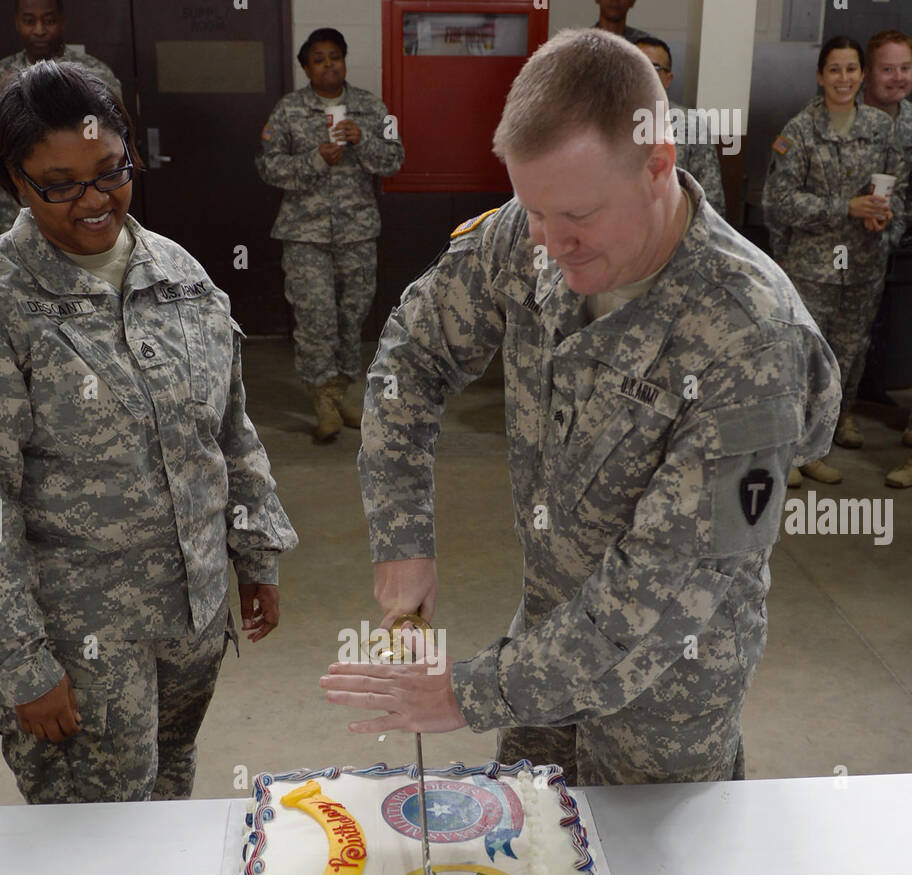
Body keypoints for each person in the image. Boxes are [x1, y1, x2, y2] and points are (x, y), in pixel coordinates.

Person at [321, 30, 840, 788]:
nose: (550, 244)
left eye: (578, 218)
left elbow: (653, 614)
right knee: (527, 870)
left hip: (664, 704)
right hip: (540, 653)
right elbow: (411, 357)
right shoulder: (535, 231)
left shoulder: (752, 341)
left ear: (659, 164)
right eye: (532, 209)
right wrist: (403, 539)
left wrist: (462, 694)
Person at [0, 61, 297, 804]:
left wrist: (255, 551)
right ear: (15, 179)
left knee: (170, 805)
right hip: (77, 646)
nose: (94, 201)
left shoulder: (178, 274)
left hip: (191, 621)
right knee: (92, 849)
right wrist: (22, 665)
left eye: (112, 172)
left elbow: (230, 430)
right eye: (60, 184)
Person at [763, 36, 906, 487]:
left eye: (851, 69)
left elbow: (899, 195)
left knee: (848, 356)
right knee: (802, 359)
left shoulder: (882, 130)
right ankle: (787, 450)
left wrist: (885, 222)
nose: (843, 78)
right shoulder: (800, 131)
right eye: (835, 70)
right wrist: (844, 207)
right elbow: (778, 202)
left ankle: (825, 438)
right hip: (811, 269)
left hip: (863, 269)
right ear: (822, 76)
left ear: (862, 75)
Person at [256, 27, 404, 444]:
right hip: (305, 233)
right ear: (306, 67)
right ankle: (322, 398)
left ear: (344, 61)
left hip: (357, 232)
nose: (328, 64)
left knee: (351, 316)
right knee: (316, 315)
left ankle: (340, 391)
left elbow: (395, 159)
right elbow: (268, 167)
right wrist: (315, 159)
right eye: (318, 59)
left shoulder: (371, 108)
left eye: (334, 56)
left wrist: (366, 140)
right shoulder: (288, 110)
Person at [0, 0, 121, 240]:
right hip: (17, 216)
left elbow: (117, 139)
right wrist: (36, 173)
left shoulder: (94, 74)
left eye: (49, 21)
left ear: (62, 21)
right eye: (29, 21)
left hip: (85, 211)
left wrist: (69, 174)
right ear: (17, 23)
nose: (39, 30)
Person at [861, 28, 912, 486]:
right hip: (847, 251)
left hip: (898, 242)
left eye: (905, 68)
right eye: (887, 69)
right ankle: (839, 418)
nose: (897, 78)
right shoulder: (848, 118)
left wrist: (892, 228)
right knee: (848, 342)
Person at [635, 37, 726, 217]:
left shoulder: (690, 125)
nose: (643, 73)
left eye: (654, 68)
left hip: (673, 235)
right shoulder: (606, 122)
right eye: (637, 64)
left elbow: (711, 201)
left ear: (668, 79)